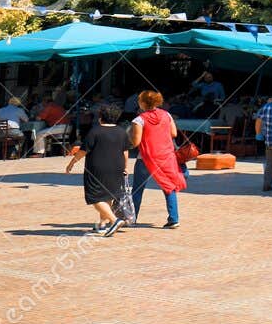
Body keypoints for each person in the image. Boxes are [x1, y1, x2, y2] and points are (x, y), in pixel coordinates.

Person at [65, 103, 129, 235]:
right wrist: (125, 167)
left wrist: (72, 163)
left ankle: (114, 220)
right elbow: (125, 152)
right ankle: (102, 224)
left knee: (94, 197)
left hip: (97, 168)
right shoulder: (122, 132)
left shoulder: (95, 131)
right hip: (117, 167)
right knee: (108, 194)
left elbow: (83, 151)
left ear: (101, 117)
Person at [128, 91, 185, 228]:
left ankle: (132, 218)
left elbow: (135, 142)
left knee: (137, 189)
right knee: (168, 187)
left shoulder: (139, 120)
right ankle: (174, 218)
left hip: (146, 159)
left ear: (142, 103)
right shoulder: (167, 115)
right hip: (166, 157)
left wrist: (125, 142)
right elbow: (174, 133)